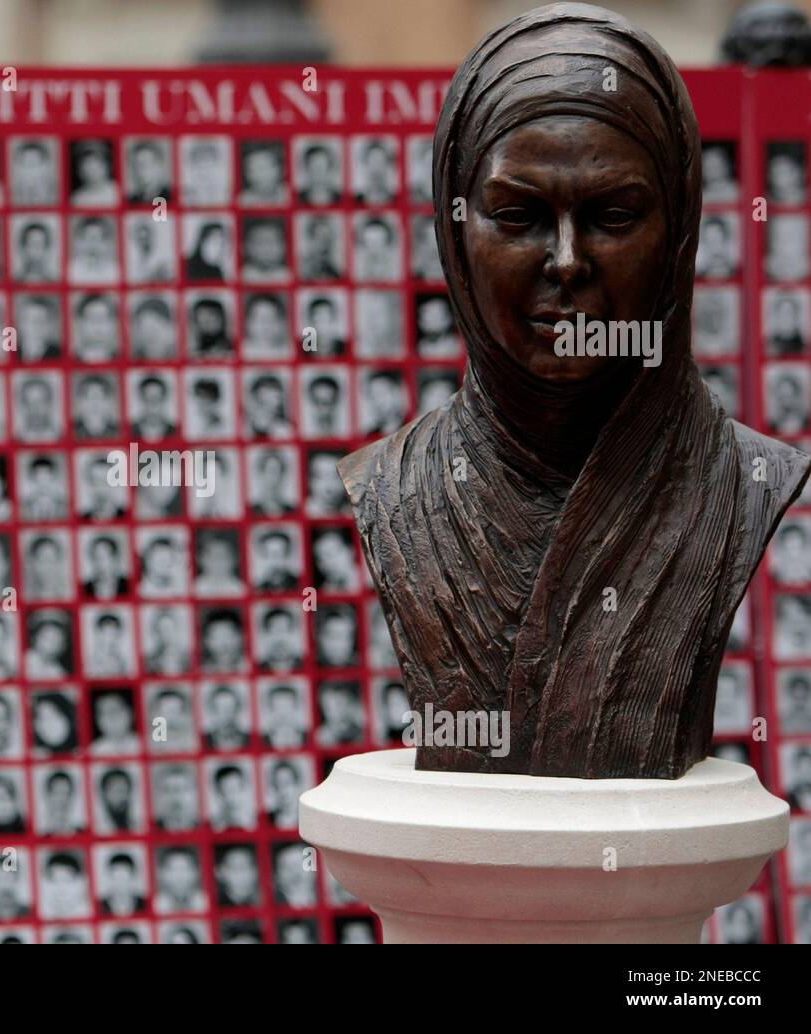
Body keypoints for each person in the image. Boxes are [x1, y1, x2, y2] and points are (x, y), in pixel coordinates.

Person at [337, 5, 811, 779]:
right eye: (518, 216)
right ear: (455, 232)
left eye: (613, 216)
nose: (565, 262)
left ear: (680, 230)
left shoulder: (742, 484)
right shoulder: (394, 490)